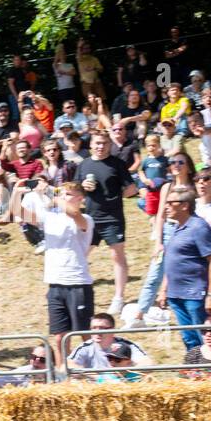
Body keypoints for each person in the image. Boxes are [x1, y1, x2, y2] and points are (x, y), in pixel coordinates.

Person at [29, 182, 94, 371]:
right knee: (59, 336)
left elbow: (74, 214)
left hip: (77, 282)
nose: (64, 197)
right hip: (55, 283)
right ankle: (62, 373)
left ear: (80, 198)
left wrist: (52, 193)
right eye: (63, 193)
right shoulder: (50, 217)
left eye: (68, 194)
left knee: (85, 334)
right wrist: (16, 190)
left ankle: (96, 371)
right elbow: (16, 214)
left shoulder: (86, 219)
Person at [73, 129, 137, 315]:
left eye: (104, 143)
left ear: (109, 145)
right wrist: (83, 189)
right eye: (97, 143)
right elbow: (76, 190)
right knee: (80, 254)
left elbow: (131, 188)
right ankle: (76, 291)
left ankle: (118, 298)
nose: (100, 146)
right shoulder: (84, 165)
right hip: (90, 218)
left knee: (117, 256)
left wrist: (114, 199)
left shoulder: (117, 164)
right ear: (91, 144)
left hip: (112, 217)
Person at [157, 186, 211, 350]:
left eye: (170, 203)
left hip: (195, 295)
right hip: (176, 294)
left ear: (185, 205)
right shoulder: (178, 227)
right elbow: (171, 260)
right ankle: (195, 372)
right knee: (189, 339)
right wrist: (164, 290)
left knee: (205, 338)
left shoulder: (198, 227)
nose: (166, 206)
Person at [67, 313, 152, 370]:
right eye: (94, 328)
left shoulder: (125, 345)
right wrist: (95, 376)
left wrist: (126, 373)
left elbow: (148, 363)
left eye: (102, 328)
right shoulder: (85, 347)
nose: (97, 332)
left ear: (113, 330)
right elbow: (67, 365)